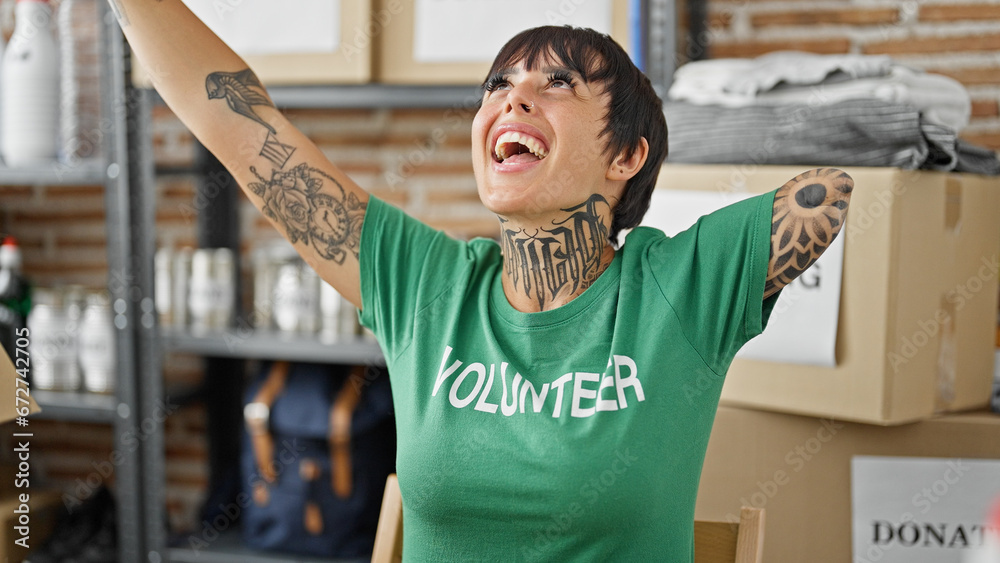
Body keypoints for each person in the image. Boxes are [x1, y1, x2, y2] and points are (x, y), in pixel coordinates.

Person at [112, 2, 853, 560]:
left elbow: (824, 195)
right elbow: (241, 125)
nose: (512, 98)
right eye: (499, 83)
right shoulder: (423, 282)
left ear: (626, 154)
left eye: (557, 83)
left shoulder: (679, 286)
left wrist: (685, 122)